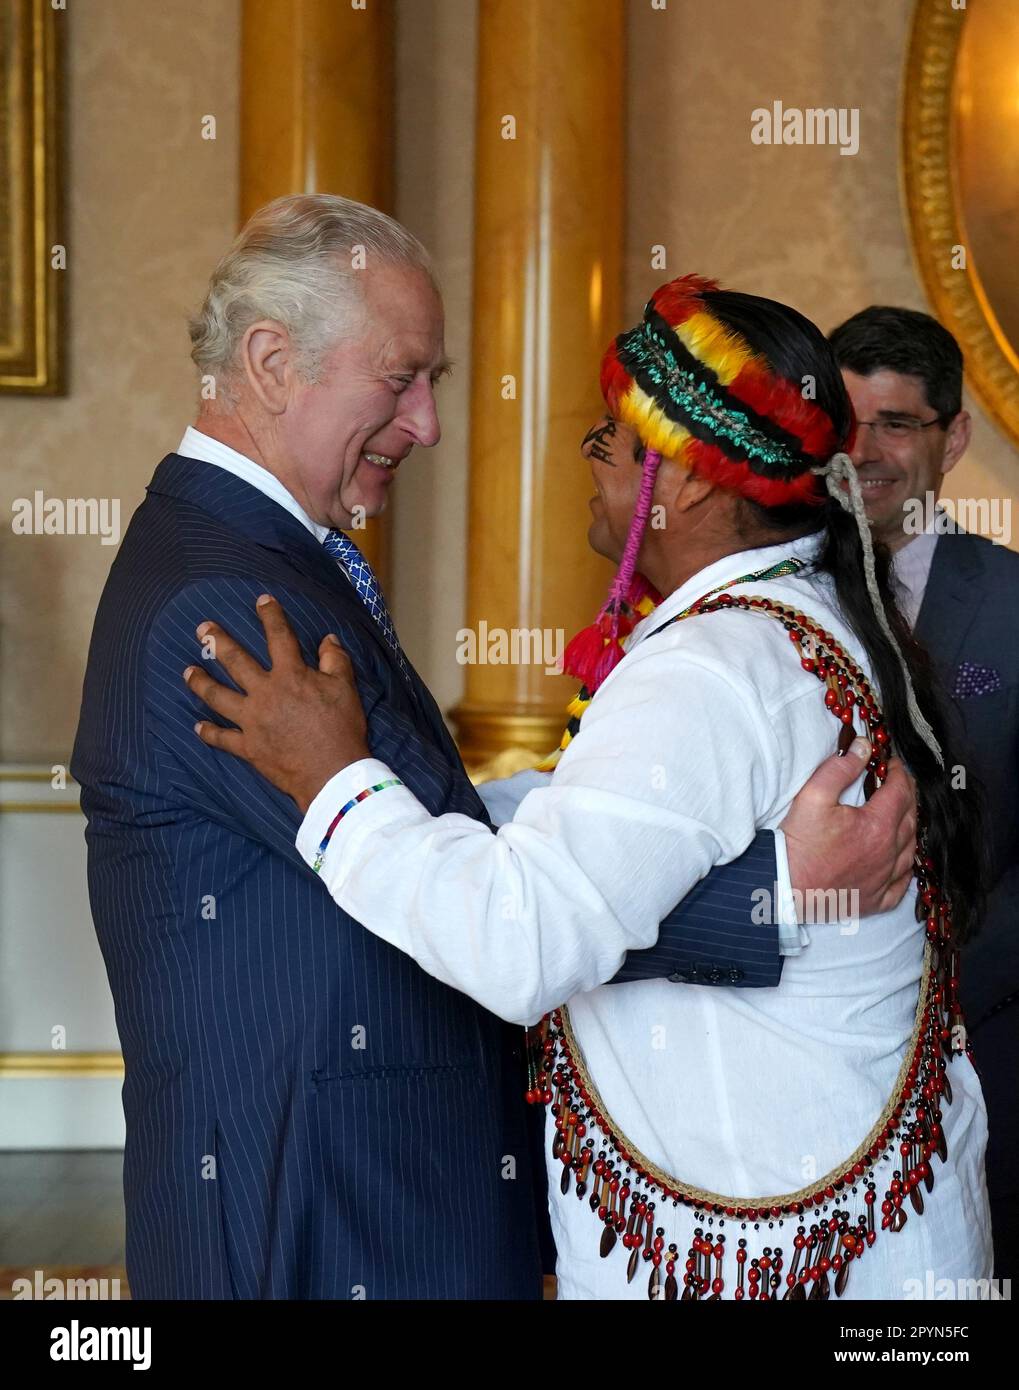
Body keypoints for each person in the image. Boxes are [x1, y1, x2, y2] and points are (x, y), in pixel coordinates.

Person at [71, 191, 912, 1301]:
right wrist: (776, 887)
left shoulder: (266, 557)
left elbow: (431, 834)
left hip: (371, 1195)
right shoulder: (228, 599)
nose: (426, 423)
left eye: (437, 383)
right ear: (271, 362)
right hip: (313, 1214)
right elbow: (500, 920)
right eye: (401, 378)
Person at [831, 304, 1019, 1280]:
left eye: (894, 424)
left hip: (982, 1054)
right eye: (843, 421)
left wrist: (928, 994)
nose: (860, 452)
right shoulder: (769, 599)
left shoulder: (1011, 609)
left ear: (952, 436)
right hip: (800, 1076)